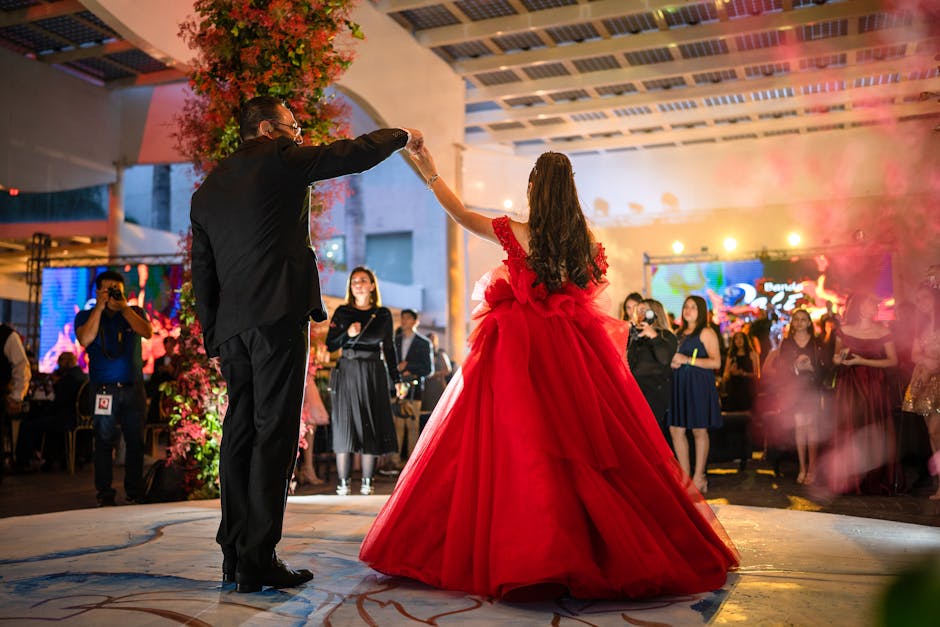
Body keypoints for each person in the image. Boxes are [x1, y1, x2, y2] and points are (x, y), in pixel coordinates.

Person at [360, 148, 737, 600]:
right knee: (585, 443)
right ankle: (589, 543)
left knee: (515, 443)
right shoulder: (585, 243)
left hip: (516, 348)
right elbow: (593, 281)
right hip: (575, 349)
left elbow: (460, 213)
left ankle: (533, 547)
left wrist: (428, 170)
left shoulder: (516, 231)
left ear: (534, 188)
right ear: (571, 191)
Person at [190, 95, 420, 593]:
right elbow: (347, 154)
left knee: (239, 431)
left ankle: (234, 552)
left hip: (232, 329)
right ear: (270, 129)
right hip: (276, 315)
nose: (300, 135)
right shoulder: (279, 156)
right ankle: (257, 557)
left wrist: (214, 332)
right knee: (274, 431)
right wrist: (401, 136)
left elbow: (202, 273)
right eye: (294, 127)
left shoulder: (207, 189)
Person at [325, 267, 406, 495]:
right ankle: (343, 483)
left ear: (372, 285)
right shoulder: (342, 312)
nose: (358, 284)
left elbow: (389, 349)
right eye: (354, 281)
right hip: (348, 370)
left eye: (363, 280)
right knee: (345, 425)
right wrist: (346, 335)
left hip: (373, 371)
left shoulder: (382, 315)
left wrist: (397, 380)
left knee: (371, 422)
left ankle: (367, 482)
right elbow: (330, 344)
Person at [74, 270, 152, 506]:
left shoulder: (134, 312)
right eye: (107, 290)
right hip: (103, 391)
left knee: (135, 441)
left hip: (133, 388)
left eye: (115, 289)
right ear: (98, 292)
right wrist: (99, 307)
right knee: (104, 441)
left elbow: (147, 332)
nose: (112, 294)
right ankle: (105, 494)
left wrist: (124, 308)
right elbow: (85, 339)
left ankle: (134, 492)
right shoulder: (87, 316)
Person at [825, 292, 899, 495]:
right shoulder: (843, 331)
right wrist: (838, 360)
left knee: (874, 427)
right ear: (859, 306)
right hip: (850, 385)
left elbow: (893, 361)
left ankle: (876, 478)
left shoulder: (883, 330)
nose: (874, 307)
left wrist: (862, 361)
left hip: (875, 386)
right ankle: (851, 480)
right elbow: (835, 358)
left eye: (875, 304)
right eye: (870, 303)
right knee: (851, 427)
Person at [763, 310, 828, 485]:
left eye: (803, 319)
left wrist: (811, 368)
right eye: (796, 320)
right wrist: (796, 367)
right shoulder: (787, 342)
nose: (799, 323)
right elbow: (782, 367)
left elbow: (825, 367)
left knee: (812, 428)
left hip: (812, 388)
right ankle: (802, 468)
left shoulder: (817, 343)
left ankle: (812, 469)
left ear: (809, 323)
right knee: (800, 428)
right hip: (795, 390)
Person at [669, 295, 723, 494]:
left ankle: (699, 477)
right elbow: (676, 359)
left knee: (699, 430)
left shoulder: (707, 332)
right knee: (676, 429)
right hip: (680, 384)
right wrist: (674, 362)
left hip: (699, 384)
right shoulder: (678, 332)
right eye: (686, 306)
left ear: (701, 311)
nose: (688, 310)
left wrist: (687, 360)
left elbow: (716, 362)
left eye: (693, 307)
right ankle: (685, 476)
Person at [902, 282, 940, 499]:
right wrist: (926, 360)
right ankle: (939, 484)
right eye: (918, 300)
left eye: (924, 298)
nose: (921, 304)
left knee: (936, 431)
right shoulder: (921, 325)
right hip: (925, 380)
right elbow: (914, 354)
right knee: (932, 434)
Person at [626, 298, 677, 444]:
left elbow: (664, 359)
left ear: (655, 313)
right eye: (638, 311)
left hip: (655, 394)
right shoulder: (636, 336)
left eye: (644, 310)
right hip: (635, 391)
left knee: (652, 439)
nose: (640, 314)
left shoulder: (666, 336)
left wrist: (653, 335)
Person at [391, 309, 432, 468]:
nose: (404, 321)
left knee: (413, 426)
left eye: (408, 318)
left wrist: (409, 367)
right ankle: (394, 461)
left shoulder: (423, 342)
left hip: (414, 389)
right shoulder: (396, 340)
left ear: (416, 321)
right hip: (397, 387)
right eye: (402, 318)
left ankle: (413, 463)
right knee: (397, 425)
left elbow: (429, 369)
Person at [721, 331, 760, 411]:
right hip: (734, 390)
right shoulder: (731, 356)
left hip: (748, 390)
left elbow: (757, 375)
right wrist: (730, 371)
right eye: (736, 338)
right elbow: (725, 376)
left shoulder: (752, 355)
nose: (739, 340)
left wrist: (744, 374)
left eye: (741, 337)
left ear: (745, 340)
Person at [422, 331, 452, 413]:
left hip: (439, 385)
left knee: (440, 410)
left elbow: (448, 370)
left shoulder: (441, 354)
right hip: (427, 387)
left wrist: (434, 374)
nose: (432, 342)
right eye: (430, 340)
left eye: (434, 340)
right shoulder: (423, 356)